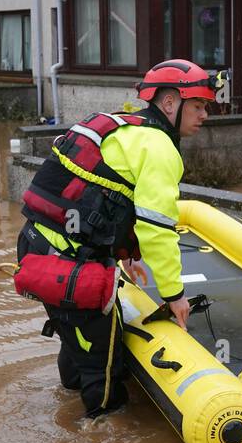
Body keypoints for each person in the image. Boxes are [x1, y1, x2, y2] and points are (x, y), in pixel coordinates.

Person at [16, 59, 219, 416]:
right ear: (170, 103)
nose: (204, 115)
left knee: (81, 341)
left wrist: (125, 251)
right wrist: (174, 294)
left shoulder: (125, 128)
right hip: (71, 262)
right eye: (198, 106)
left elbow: (108, 196)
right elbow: (157, 229)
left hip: (38, 246)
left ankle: (72, 396)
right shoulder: (159, 147)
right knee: (108, 372)